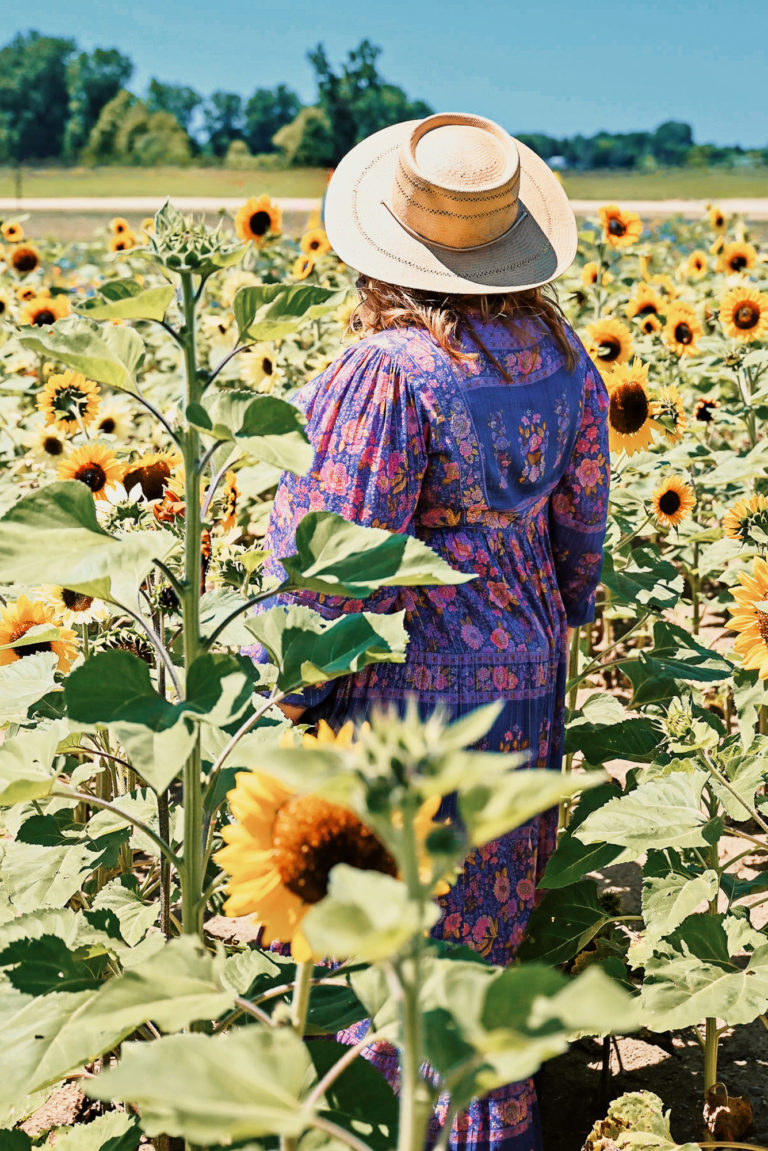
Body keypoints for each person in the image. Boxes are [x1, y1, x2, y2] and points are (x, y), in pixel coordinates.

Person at [243, 112, 610, 1151]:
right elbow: (583, 521)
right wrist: (556, 615)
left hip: (411, 696)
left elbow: (336, 563)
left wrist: (292, 690)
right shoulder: (559, 352)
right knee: (481, 935)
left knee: (395, 939)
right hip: (527, 673)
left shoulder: (391, 372)